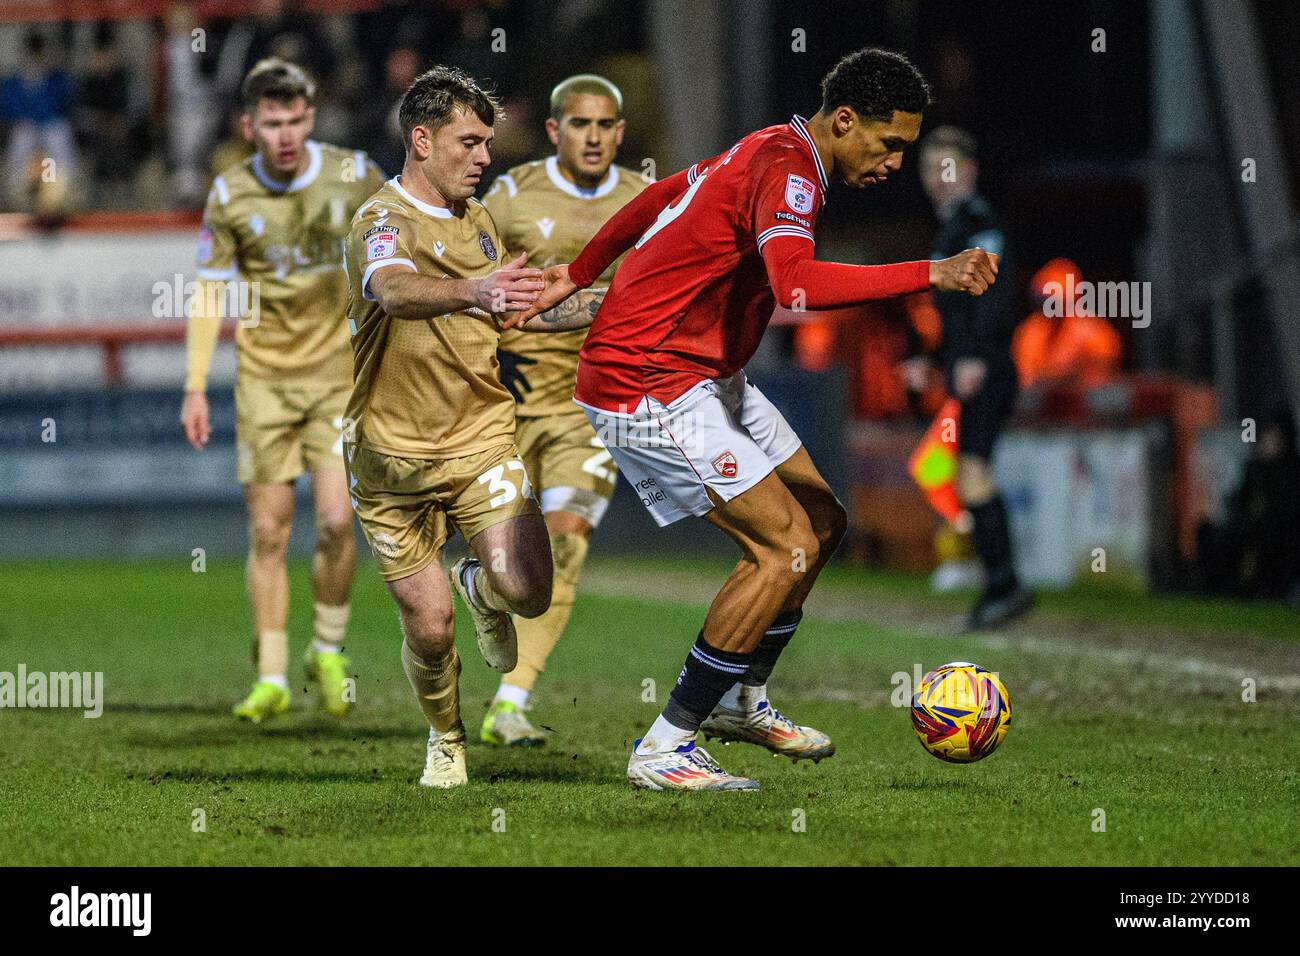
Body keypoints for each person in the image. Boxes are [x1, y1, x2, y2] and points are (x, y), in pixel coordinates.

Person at [510, 48, 999, 791]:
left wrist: (575, 275)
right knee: (783, 548)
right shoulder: (789, 170)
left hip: (705, 374)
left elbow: (654, 198)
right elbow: (794, 284)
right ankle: (666, 745)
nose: (897, 162)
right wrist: (930, 273)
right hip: (648, 377)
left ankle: (741, 699)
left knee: (822, 522)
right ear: (844, 121)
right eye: (889, 143)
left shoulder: (772, 146)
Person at [342, 66, 601, 788]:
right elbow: (393, 291)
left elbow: (523, 309)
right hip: (389, 459)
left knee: (528, 592)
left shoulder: (478, 221)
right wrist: (473, 290)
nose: (485, 156)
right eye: (469, 142)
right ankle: (447, 737)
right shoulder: (380, 222)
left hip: (480, 441)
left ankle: (481, 587)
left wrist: (622, 301)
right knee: (430, 631)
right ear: (422, 141)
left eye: (488, 142)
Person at [181, 59, 385, 723]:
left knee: (336, 521)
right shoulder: (230, 194)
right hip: (265, 382)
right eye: (272, 123)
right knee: (269, 530)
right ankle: (270, 676)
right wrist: (195, 386)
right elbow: (209, 292)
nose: (287, 134)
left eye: (296, 120)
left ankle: (326, 647)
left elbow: (401, 235)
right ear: (249, 127)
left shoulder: (354, 175)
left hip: (336, 376)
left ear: (311, 118)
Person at [476, 74, 649, 747]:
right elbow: (474, 283)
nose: (594, 137)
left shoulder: (646, 200)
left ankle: (510, 702)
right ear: (554, 131)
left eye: (606, 125)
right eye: (581, 124)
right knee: (504, 560)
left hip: (594, 405)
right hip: (508, 402)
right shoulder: (511, 196)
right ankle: (480, 592)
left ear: (621, 132)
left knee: (566, 541)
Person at [913, 125, 1034, 631]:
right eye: (929, 169)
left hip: (988, 368)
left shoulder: (977, 221)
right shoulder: (954, 227)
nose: (937, 178)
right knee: (966, 474)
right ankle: (1001, 587)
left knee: (973, 473)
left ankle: (1005, 587)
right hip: (970, 366)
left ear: (970, 170)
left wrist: (975, 356)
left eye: (947, 167)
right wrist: (934, 359)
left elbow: (993, 292)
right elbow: (953, 310)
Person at [1013, 258, 1122, 389]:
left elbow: (1103, 380)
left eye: (1056, 301)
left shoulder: (1094, 333)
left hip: (1082, 400)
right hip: (1042, 400)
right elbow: (1026, 382)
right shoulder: (1030, 333)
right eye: (1044, 299)